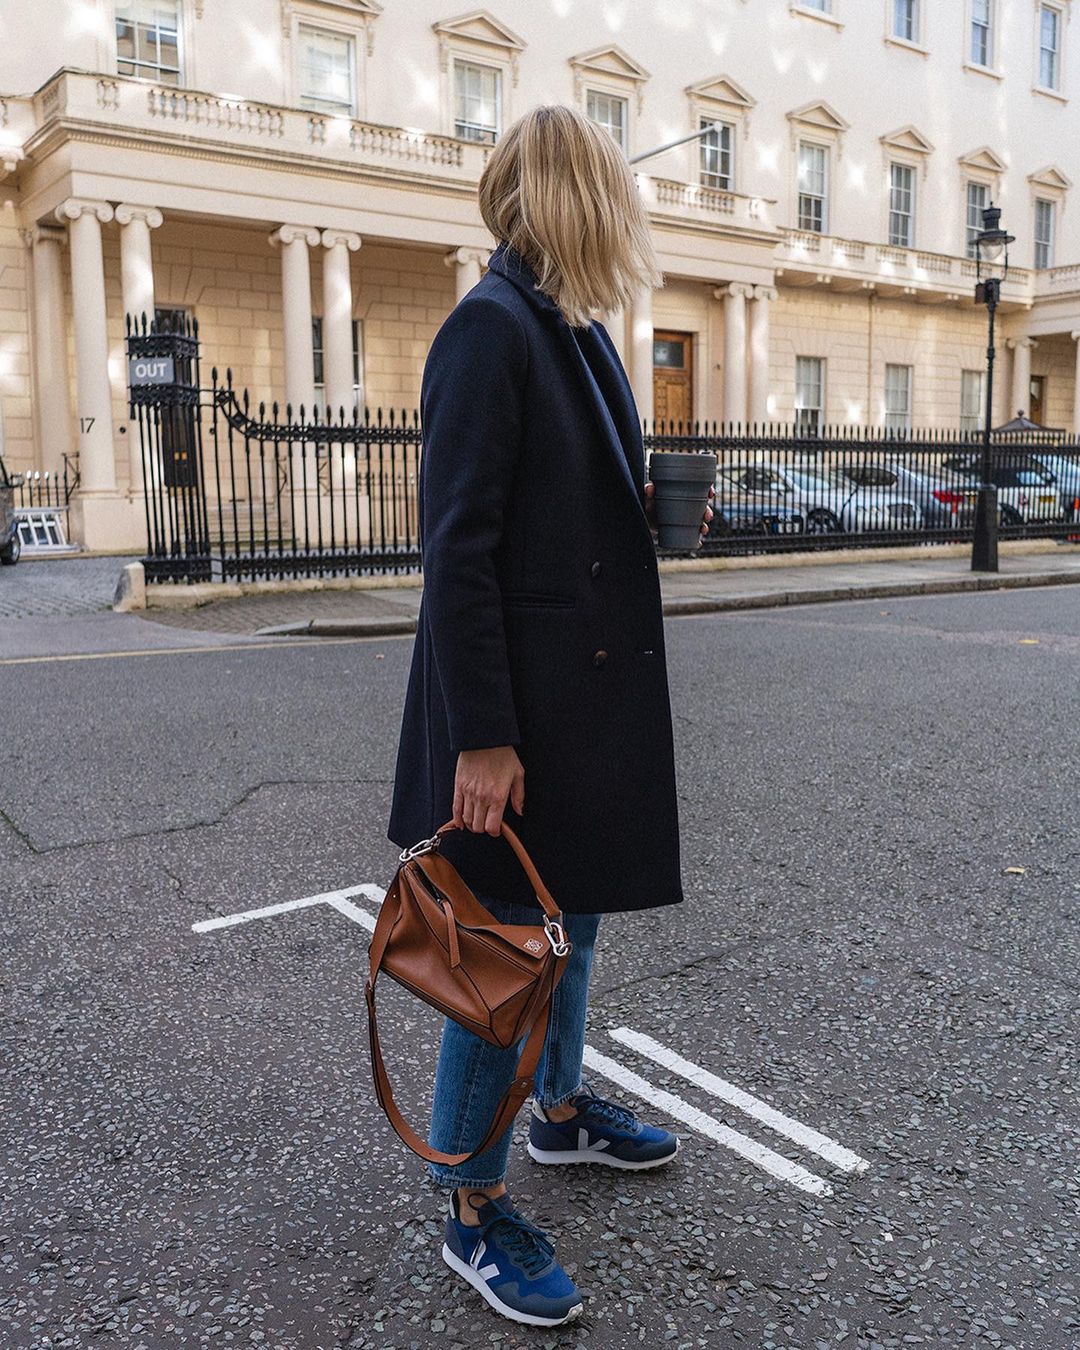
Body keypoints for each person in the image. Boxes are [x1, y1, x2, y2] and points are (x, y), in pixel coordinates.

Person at [386, 104, 713, 1328]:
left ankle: (561, 1114)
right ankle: (470, 1204)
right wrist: (480, 736)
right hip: (513, 721)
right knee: (500, 958)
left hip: (575, 709)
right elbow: (457, 551)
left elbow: (559, 514)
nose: (631, 211)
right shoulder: (490, 327)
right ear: (578, 197)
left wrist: (651, 513)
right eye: (617, 190)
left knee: (569, 925)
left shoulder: (572, 327)